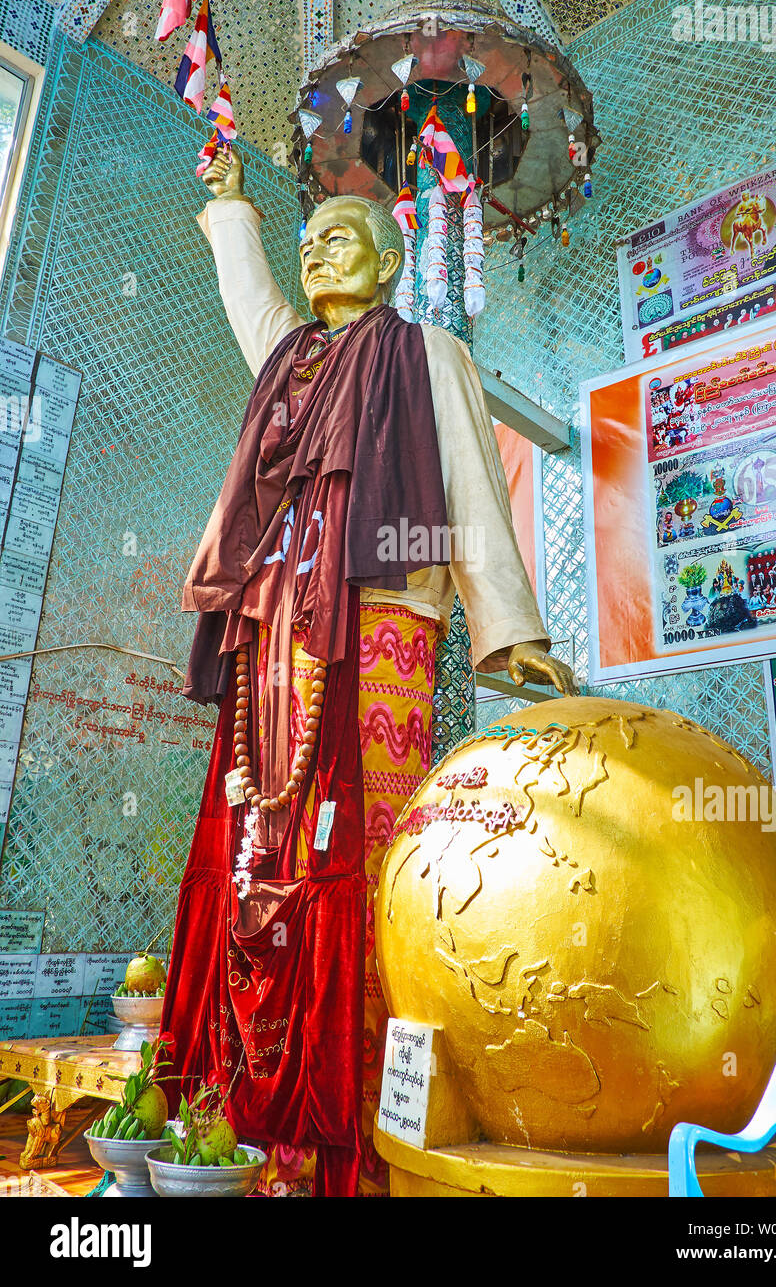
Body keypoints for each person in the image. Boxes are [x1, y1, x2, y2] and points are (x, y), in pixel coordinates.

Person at [161, 145, 576, 1197]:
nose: (315, 254)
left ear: (388, 262)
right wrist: (235, 214)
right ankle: (237, 1101)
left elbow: (475, 481)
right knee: (262, 839)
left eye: (336, 237)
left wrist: (510, 627)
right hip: (271, 627)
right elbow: (248, 303)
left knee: (363, 853)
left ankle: (357, 1121)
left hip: (379, 614)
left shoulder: (425, 350)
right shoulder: (289, 361)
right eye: (305, 244)